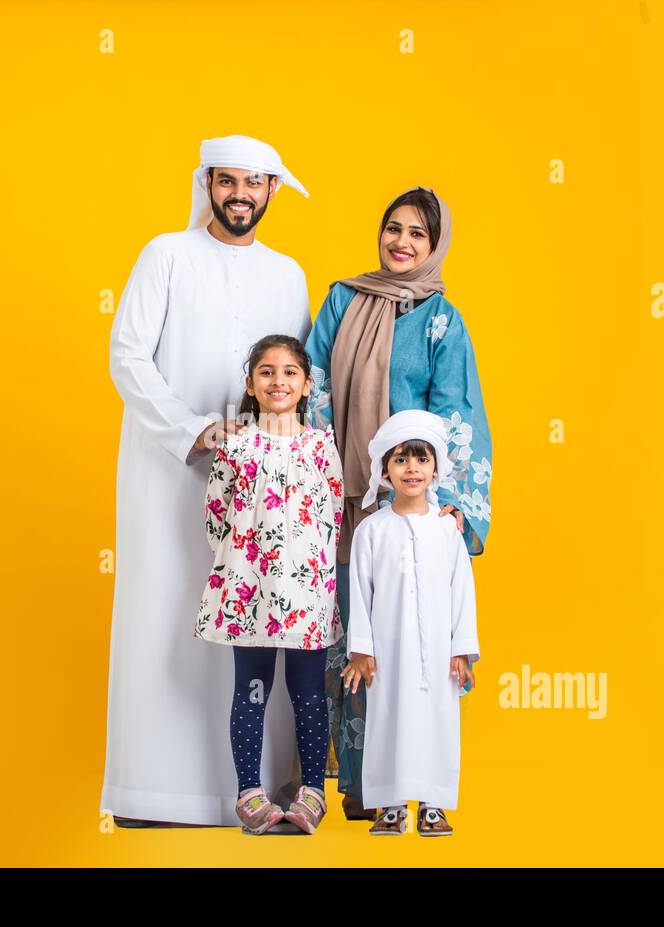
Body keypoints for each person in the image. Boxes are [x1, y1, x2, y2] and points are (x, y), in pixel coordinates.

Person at [102, 135, 312, 827]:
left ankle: (259, 794)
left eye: (254, 183)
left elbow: (297, 378)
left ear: (272, 191)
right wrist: (191, 430)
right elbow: (128, 355)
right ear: (208, 183)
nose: (240, 195)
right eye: (228, 181)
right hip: (169, 474)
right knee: (163, 614)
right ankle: (152, 795)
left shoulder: (289, 273)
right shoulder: (166, 254)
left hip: (265, 493)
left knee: (260, 621)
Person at [304, 186, 492, 820]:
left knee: (416, 642)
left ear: (435, 245)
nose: (401, 243)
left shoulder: (443, 320)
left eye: (417, 233)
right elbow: (315, 390)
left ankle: (424, 786)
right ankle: (363, 785)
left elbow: (455, 415)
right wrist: (327, 478)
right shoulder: (341, 299)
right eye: (393, 229)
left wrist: (444, 498)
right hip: (347, 502)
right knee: (351, 640)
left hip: (409, 505)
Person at [194, 334, 344, 834]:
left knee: (308, 693)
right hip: (247, 591)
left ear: (305, 385)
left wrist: (310, 567)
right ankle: (249, 793)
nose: (278, 380)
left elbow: (334, 513)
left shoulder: (322, 445)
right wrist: (242, 562)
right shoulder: (235, 442)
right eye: (266, 372)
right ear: (251, 384)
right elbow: (215, 513)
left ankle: (313, 795)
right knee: (251, 690)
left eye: (289, 372)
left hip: (307, 594)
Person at [340, 410, 479, 836]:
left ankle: (434, 804)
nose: (412, 468)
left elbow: (462, 592)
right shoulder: (372, 531)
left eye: (421, 459)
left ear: (436, 469)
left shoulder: (446, 532)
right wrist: (361, 648)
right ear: (384, 470)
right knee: (387, 719)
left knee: (439, 717)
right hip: (388, 649)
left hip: (439, 649)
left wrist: (461, 648)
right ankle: (391, 804)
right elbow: (359, 593)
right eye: (401, 459)